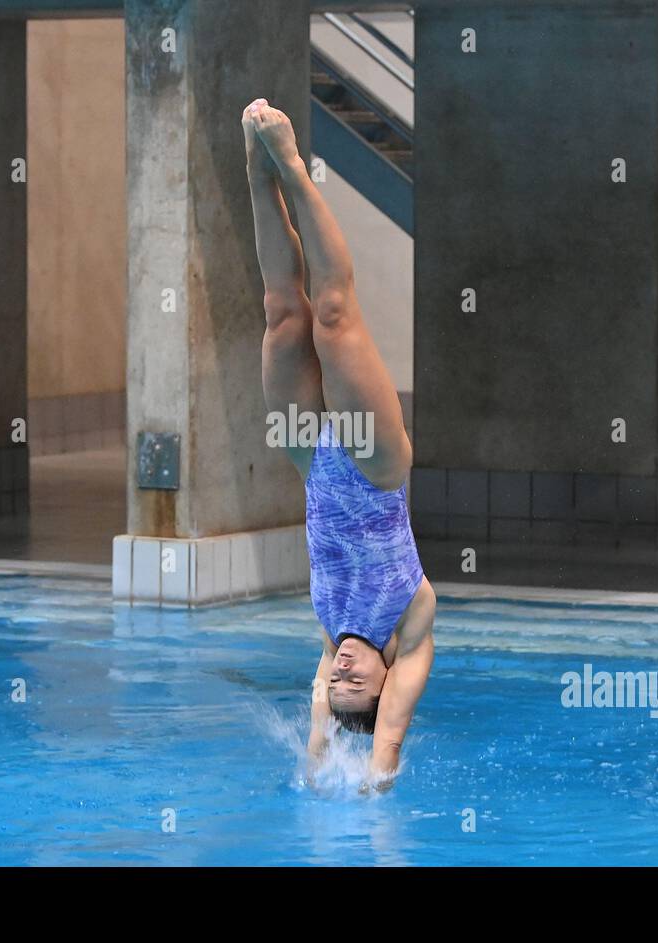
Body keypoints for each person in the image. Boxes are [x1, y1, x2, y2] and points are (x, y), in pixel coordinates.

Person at [242, 98, 435, 790]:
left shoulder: (331, 639)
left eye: (337, 685)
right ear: (386, 678)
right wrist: (377, 780)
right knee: (331, 313)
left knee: (281, 314)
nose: (346, 672)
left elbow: (320, 738)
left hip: (312, 463)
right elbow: (386, 743)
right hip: (375, 465)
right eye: (359, 682)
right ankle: (293, 166)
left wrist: (318, 758)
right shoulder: (408, 626)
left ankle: (255, 172)